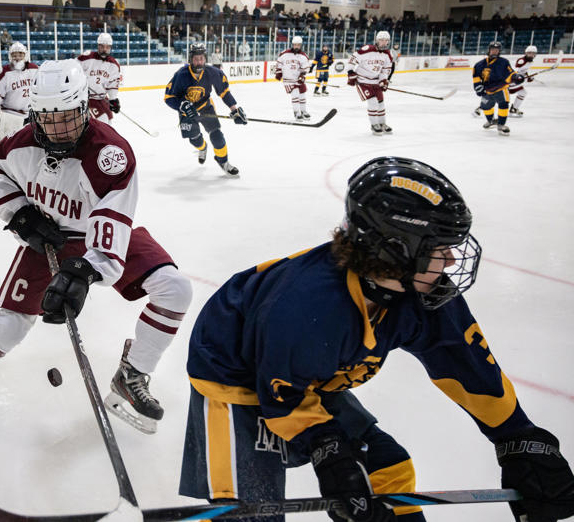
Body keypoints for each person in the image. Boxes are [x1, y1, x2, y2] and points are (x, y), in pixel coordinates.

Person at [179, 155, 574, 522]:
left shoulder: (419, 294)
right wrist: (328, 450)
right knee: (252, 512)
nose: (451, 260)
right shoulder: (308, 305)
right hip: (236, 379)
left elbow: (465, 363)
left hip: (312, 375)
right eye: (439, 249)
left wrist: (517, 436)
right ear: (396, 250)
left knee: (387, 472)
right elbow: (284, 396)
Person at [0, 59, 193, 435]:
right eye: (47, 118)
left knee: (175, 288)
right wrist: (20, 217)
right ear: (34, 113)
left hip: (96, 237)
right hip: (48, 236)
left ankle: (133, 373)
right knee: (10, 327)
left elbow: (111, 227)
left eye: (67, 117)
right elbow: (0, 172)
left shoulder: (109, 154)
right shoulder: (20, 143)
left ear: (84, 107)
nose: (57, 128)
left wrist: (85, 271)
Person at [164, 44, 247, 177]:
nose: (199, 62)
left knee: (217, 135)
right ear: (191, 59)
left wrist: (234, 109)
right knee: (195, 140)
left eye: (201, 58)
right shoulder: (181, 75)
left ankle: (223, 162)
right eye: (196, 59)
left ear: (205, 58)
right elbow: (169, 97)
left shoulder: (212, 72)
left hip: (205, 107)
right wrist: (182, 105)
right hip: (187, 111)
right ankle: (203, 148)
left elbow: (224, 92)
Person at [0, 42, 39, 141]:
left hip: (32, 115)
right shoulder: (3, 73)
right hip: (11, 117)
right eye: (14, 55)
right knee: (10, 148)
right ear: (10, 56)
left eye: (20, 54)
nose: (17, 57)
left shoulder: (35, 69)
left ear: (25, 55)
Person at [347, 30, 393, 135]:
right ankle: (374, 125)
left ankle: (382, 124)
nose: (384, 42)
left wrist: (383, 80)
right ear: (377, 40)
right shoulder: (367, 49)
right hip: (363, 81)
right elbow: (352, 60)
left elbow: (385, 70)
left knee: (381, 103)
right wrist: (350, 72)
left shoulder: (387, 55)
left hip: (376, 82)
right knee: (372, 102)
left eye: (386, 40)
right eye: (381, 40)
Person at [472, 41, 521, 136]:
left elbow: (510, 73)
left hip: (501, 88)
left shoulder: (504, 62)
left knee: (503, 104)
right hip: (487, 89)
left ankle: (501, 125)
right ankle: (491, 121)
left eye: (496, 50)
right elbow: (476, 78)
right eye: (492, 50)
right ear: (489, 50)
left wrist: (516, 77)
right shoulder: (479, 65)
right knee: (486, 106)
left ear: (499, 51)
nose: (494, 51)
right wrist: (478, 87)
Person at [77, 32, 122, 125]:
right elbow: (73, 69)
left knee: (109, 122)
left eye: (107, 47)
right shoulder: (87, 57)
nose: (104, 50)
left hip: (101, 98)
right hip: (87, 99)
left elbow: (112, 84)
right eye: (102, 46)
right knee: (103, 121)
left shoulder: (113, 65)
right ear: (98, 46)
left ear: (110, 47)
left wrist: (113, 99)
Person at [274, 35, 311, 120]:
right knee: (295, 94)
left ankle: (303, 111)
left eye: (298, 45)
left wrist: (302, 76)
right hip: (288, 79)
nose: (296, 46)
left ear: (300, 45)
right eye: (295, 44)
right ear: (292, 44)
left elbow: (305, 68)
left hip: (298, 79)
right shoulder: (284, 53)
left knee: (302, 95)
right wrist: (278, 73)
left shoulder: (303, 56)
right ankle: (297, 113)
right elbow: (279, 63)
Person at [509, 45, 537, 117]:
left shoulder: (530, 62)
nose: (531, 55)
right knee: (498, 96)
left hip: (515, 82)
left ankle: (514, 109)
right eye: (529, 53)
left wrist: (528, 78)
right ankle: (482, 107)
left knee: (523, 93)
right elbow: (514, 71)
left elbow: (523, 72)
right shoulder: (522, 61)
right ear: (526, 53)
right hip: (510, 82)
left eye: (532, 53)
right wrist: (518, 77)